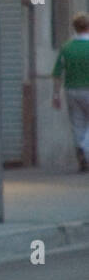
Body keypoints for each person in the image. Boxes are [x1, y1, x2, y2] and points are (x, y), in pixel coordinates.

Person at [52, 12, 89, 173]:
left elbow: (57, 72)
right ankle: (84, 148)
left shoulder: (66, 47)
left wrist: (55, 95)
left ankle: (80, 150)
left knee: (77, 123)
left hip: (71, 90)